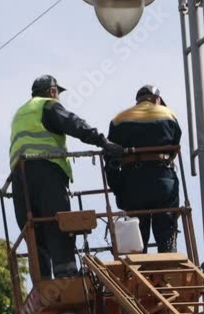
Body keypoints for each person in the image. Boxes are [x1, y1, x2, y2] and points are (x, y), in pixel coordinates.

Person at [10, 75, 123, 279]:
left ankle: (43, 282)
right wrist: (103, 142)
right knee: (58, 223)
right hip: (46, 170)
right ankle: (67, 277)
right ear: (52, 91)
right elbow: (74, 124)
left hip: (20, 178)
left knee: (33, 228)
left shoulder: (21, 112)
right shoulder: (47, 105)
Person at [105, 84, 182, 253]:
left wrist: (117, 187)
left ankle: (137, 260)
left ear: (137, 101)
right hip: (163, 180)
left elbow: (110, 155)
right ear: (157, 99)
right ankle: (169, 258)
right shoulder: (168, 114)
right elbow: (175, 146)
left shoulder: (119, 119)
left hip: (133, 183)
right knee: (167, 227)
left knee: (137, 235)